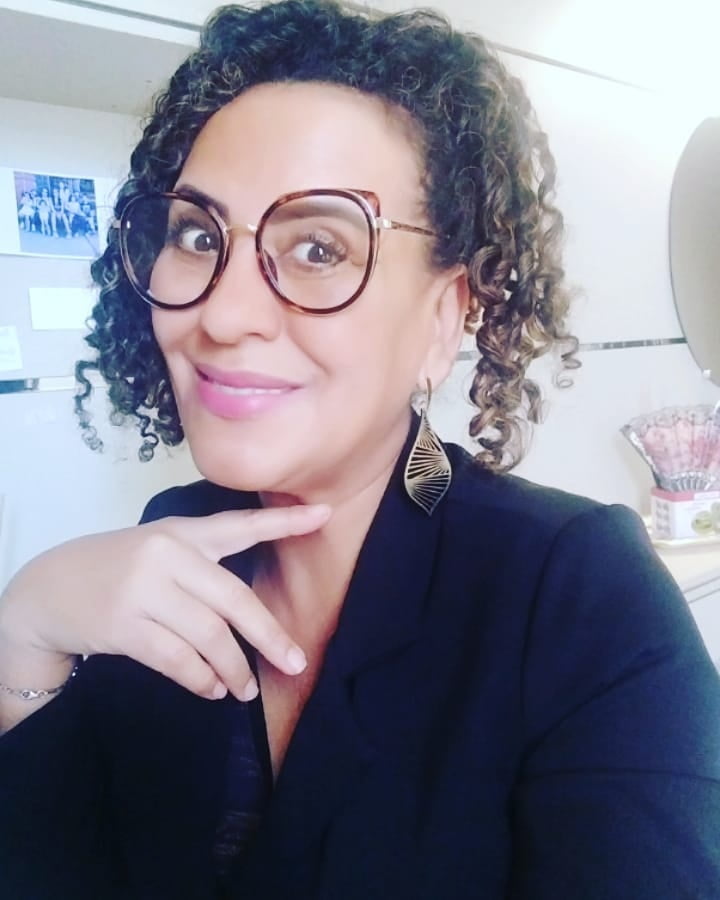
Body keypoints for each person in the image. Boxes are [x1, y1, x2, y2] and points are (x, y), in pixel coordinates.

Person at [1, 1, 719, 898]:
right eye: (197, 235)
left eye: (317, 247)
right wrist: (25, 634)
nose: (222, 313)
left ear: (443, 317)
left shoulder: (577, 595)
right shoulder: (166, 554)